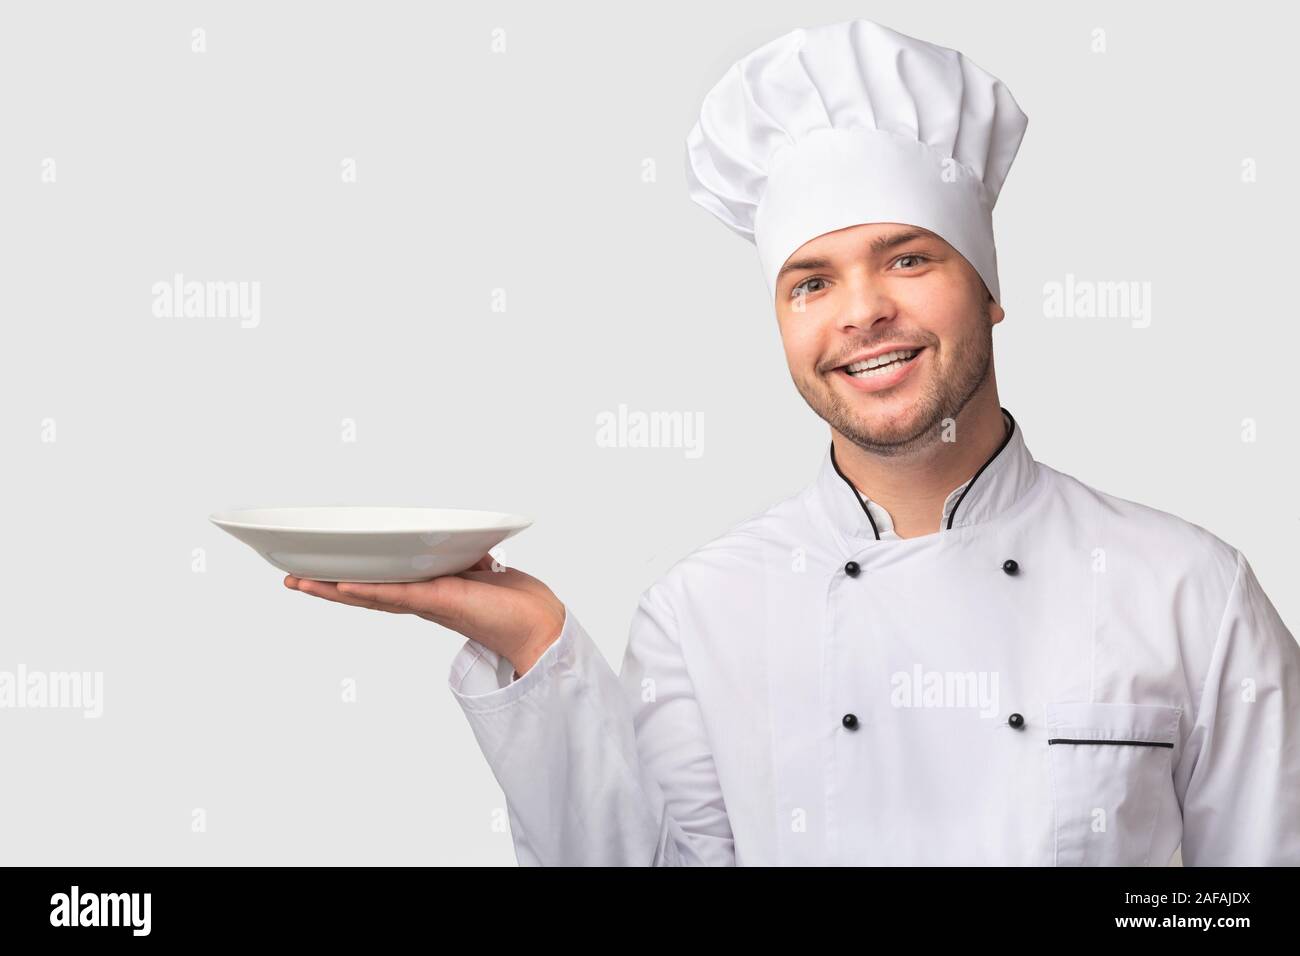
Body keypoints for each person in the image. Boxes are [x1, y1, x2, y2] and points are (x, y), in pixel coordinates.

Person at [284, 18, 1300, 866]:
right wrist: (531, 639)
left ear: (988, 290)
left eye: (907, 257)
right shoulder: (702, 607)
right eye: (811, 281)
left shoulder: (1188, 591)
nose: (861, 313)